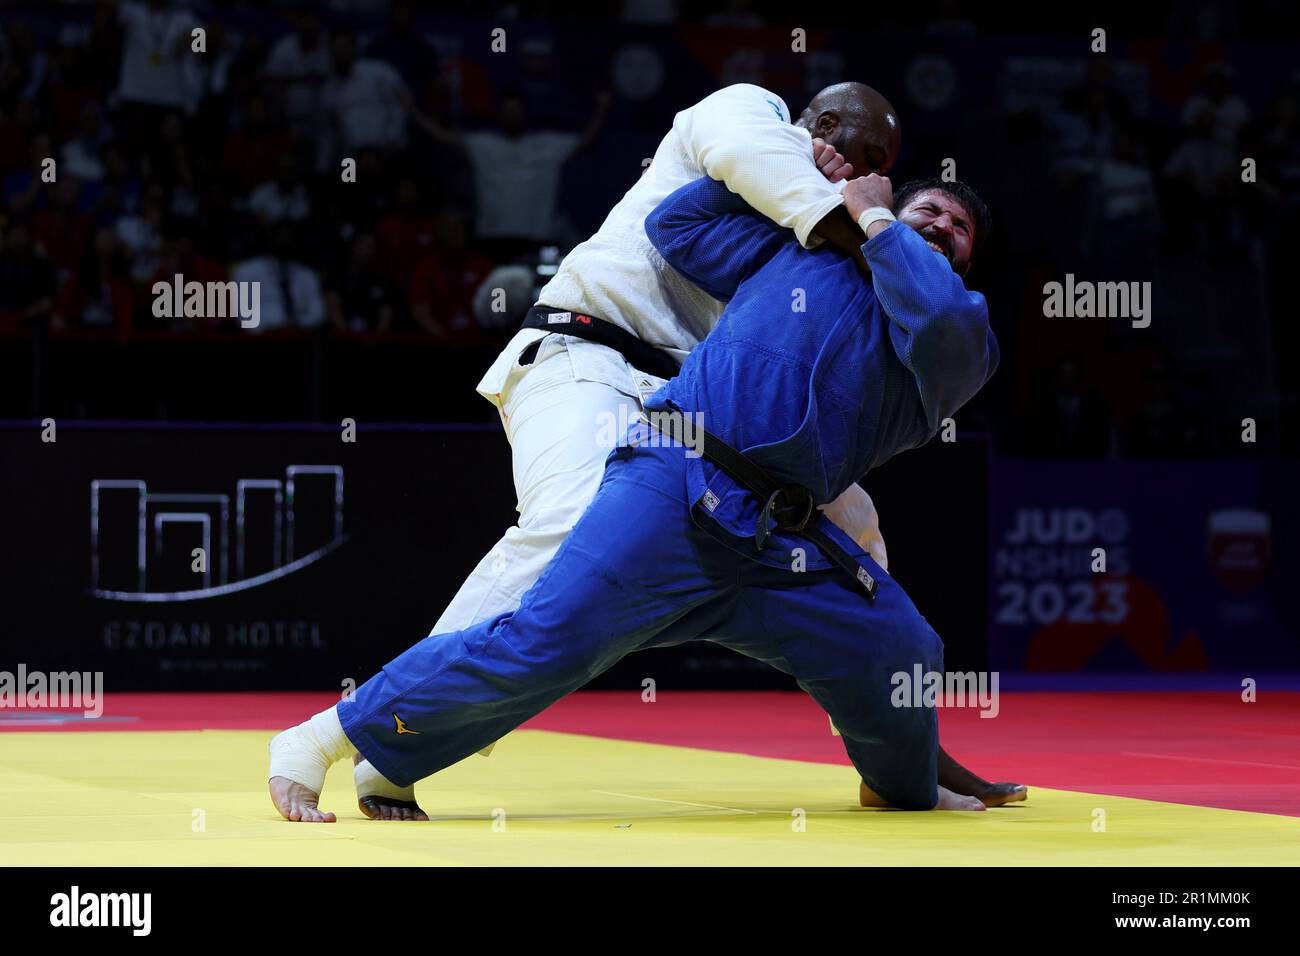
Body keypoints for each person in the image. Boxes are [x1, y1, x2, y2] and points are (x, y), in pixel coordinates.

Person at [351, 82, 1020, 818]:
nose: (935, 222)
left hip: (747, 480)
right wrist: (827, 187)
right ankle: (378, 728)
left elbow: (939, 318)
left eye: (957, 229)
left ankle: (899, 758)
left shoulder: (930, 310)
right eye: (919, 201)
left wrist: (879, 225)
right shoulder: (782, 188)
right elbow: (683, 219)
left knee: (882, 592)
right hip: (638, 419)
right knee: (560, 582)